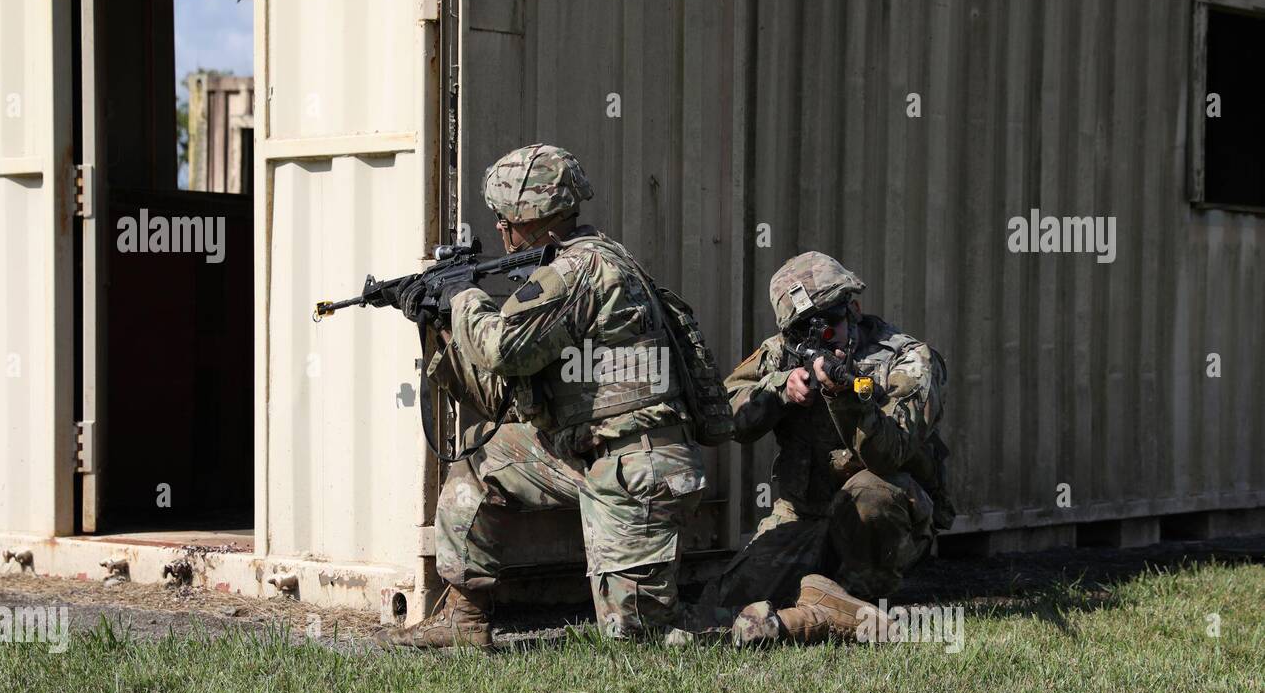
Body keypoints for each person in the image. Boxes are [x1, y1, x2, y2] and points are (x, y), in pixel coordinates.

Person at [376, 144, 708, 649]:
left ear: (528, 219)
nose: (502, 234)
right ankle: (463, 620)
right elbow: (503, 394)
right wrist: (439, 324)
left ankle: (787, 617)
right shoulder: (577, 262)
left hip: (637, 464)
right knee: (481, 458)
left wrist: (461, 296)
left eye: (504, 221)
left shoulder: (581, 270)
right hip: (587, 454)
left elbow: (503, 347)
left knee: (640, 642)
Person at [705, 252, 954, 646]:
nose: (821, 336)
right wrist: (779, 389)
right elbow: (721, 416)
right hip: (804, 515)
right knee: (727, 603)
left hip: (882, 513)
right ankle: (831, 607)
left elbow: (889, 454)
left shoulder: (907, 360)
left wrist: (847, 396)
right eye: (804, 328)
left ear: (853, 310)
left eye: (831, 322)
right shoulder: (781, 352)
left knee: (871, 493)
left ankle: (860, 599)